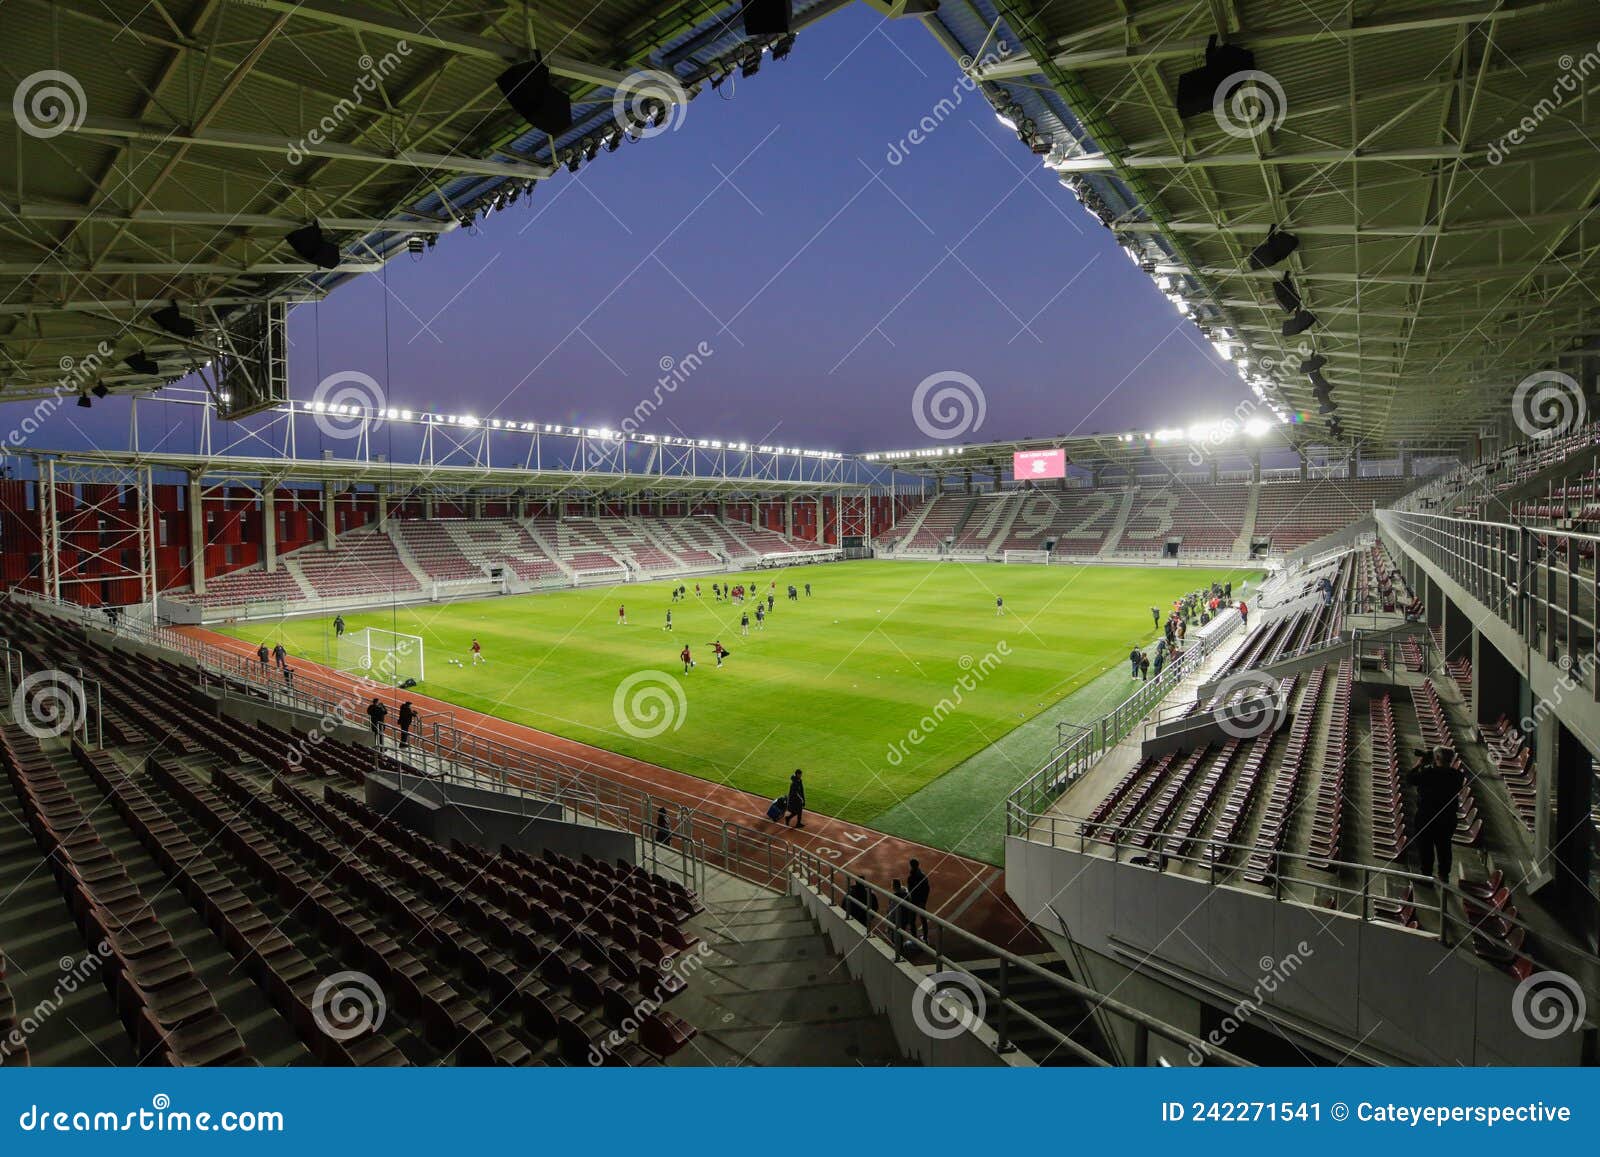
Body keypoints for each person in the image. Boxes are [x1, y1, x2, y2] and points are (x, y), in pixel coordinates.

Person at [1409, 746, 1464, 882]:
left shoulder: (1428, 773)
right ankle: (1443, 875)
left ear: (1437, 758)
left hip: (1426, 816)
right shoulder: (1457, 775)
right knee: (1444, 847)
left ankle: (1426, 875)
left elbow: (1410, 779)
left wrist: (1419, 764)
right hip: (1447, 818)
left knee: (1425, 846)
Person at [905, 858, 931, 941]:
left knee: (912, 920)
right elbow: (927, 889)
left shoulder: (911, 877)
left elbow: (910, 890)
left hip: (914, 901)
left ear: (911, 866)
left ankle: (913, 939)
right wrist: (924, 901)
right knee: (923, 919)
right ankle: (925, 938)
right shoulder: (923, 875)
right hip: (921, 901)